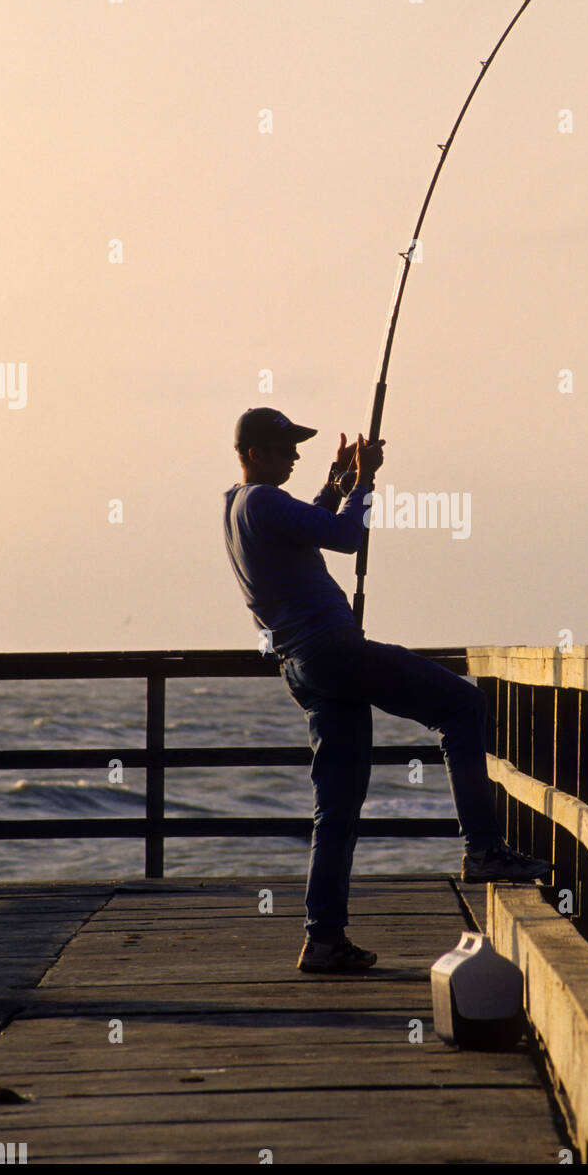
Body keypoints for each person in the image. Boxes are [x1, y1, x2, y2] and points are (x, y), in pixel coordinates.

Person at [223, 406, 551, 974]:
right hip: (334, 651)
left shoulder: (238, 505)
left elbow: (313, 526)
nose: (295, 456)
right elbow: (347, 538)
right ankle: (484, 851)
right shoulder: (263, 500)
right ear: (253, 453)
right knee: (464, 705)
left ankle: (323, 938)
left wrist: (336, 483)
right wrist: (367, 481)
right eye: (285, 449)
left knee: (338, 806)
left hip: (303, 666)